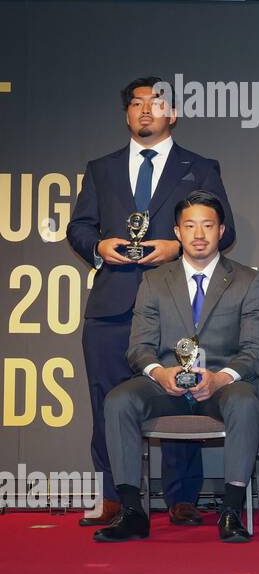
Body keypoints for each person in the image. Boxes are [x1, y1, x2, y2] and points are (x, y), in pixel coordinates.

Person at [68, 77, 237, 528]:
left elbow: (227, 230)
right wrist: (99, 246)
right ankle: (113, 495)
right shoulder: (101, 168)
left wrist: (177, 248)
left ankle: (182, 496)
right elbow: (79, 228)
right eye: (137, 103)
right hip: (111, 304)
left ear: (173, 113)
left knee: (179, 389)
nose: (146, 110)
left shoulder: (200, 167)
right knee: (106, 398)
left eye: (156, 102)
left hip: (174, 303)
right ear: (126, 114)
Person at [93, 191, 259, 543]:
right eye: (190, 226)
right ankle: (132, 512)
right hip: (166, 385)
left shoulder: (248, 281)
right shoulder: (155, 281)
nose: (199, 234)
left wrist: (220, 378)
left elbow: (257, 350)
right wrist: (160, 373)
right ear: (177, 232)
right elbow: (139, 348)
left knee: (245, 400)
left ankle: (231, 512)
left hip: (223, 385)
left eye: (208, 225)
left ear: (221, 231)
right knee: (118, 400)